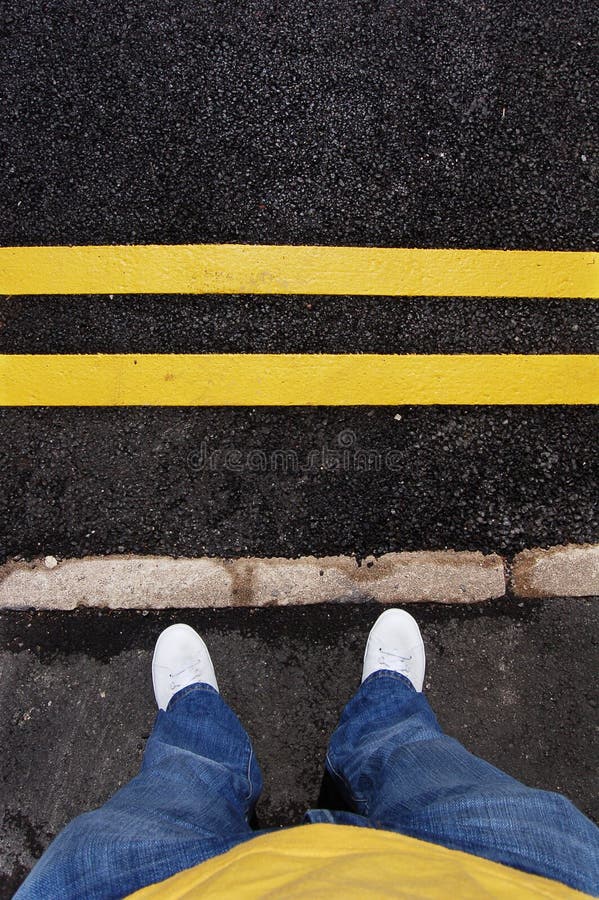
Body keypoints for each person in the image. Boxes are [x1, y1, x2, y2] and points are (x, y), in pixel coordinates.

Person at [15, 609, 599, 899]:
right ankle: (386, 714)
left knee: (164, 795)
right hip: (494, 883)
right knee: (419, 759)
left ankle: (196, 724)